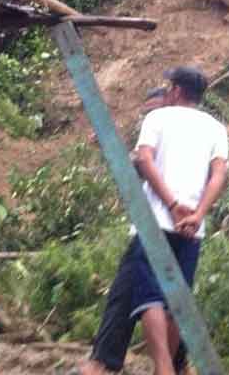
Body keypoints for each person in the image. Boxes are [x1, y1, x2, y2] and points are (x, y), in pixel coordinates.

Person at [89, 66, 228, 375]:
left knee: (148, 297)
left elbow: (143, 160)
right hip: (194, 227)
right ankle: (173, 368)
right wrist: (197, 213)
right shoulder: (216, 127)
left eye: (169, 87)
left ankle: (164, 368)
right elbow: (218, 175)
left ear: (176, 91)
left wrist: (173, 205)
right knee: (178, 299)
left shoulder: (157, 119)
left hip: (156, 222)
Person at [79, 86, 187, 375]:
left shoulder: (171, 142)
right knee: (170, 303)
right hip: (173, 233)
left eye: (155, 112)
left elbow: (141, 163)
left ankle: (100, 365)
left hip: (157, 232)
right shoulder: (176, 140)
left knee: (125, 298)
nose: (150, 119)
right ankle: (178, 365)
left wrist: (111, 147)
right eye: (147, 114)